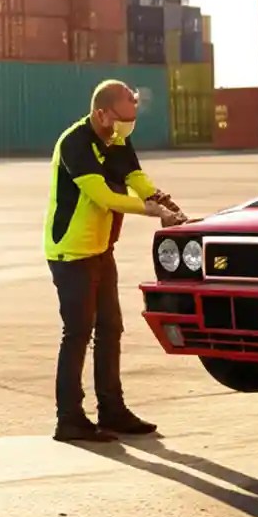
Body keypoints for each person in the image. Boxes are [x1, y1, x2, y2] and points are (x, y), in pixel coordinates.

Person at [43, 79, 187, 442]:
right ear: (101, 113)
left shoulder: (117, 139)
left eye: (132, 118)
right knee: (77, 333)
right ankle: (69, 419)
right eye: (123, 118)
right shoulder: (75, 143)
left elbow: (134, 176)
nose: (128, 126)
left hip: (101, 249)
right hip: (71, 252)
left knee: (110, 329)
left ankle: (112, 410)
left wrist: (161, 200)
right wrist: (150, 210)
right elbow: (105, 196)